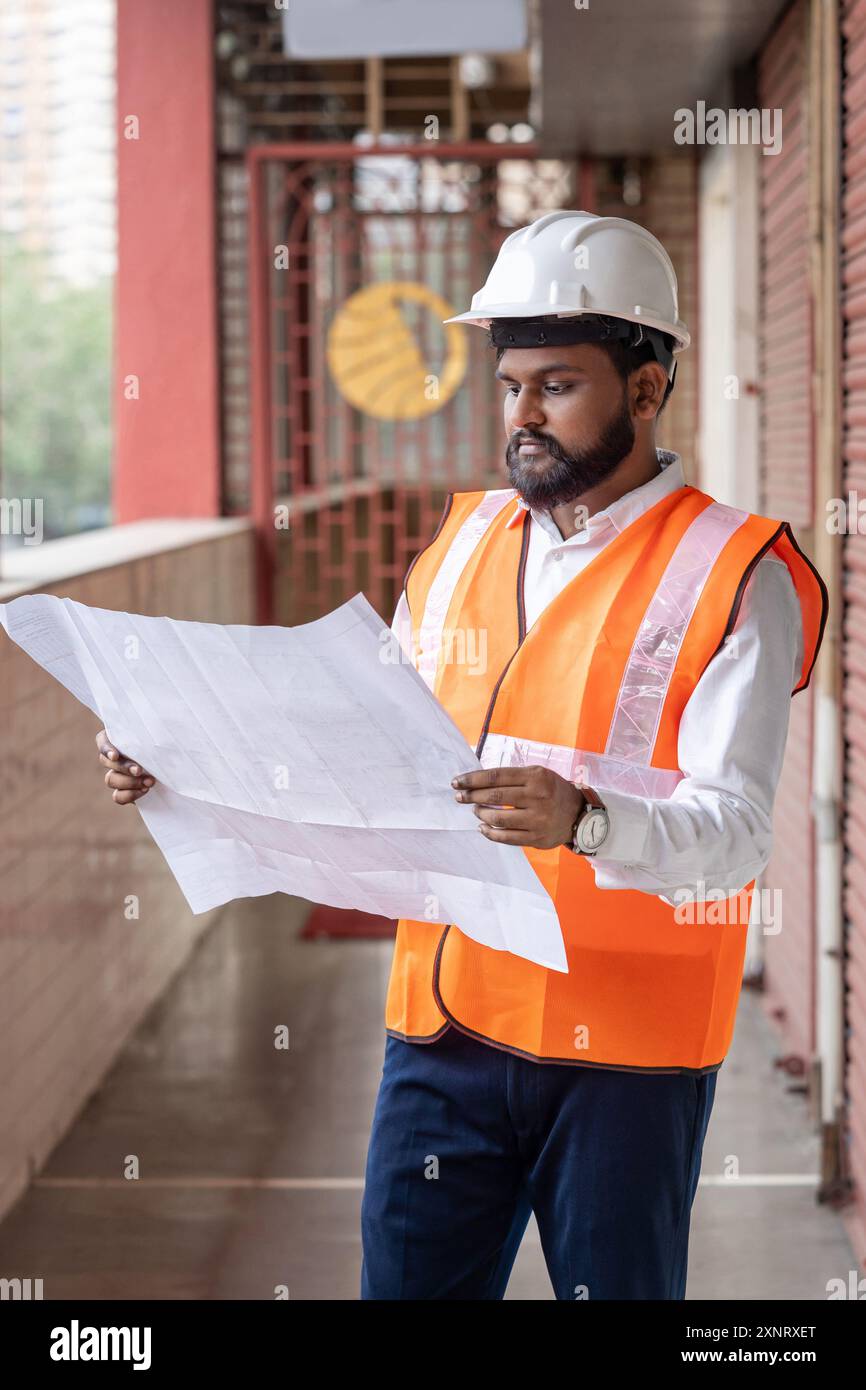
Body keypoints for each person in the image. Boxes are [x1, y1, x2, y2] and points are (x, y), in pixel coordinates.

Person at [96, 210, 828, 1301]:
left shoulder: (735, 570)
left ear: (644, 389)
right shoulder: (459, 546)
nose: (520, 416)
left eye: (555, 386)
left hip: (624, 1054)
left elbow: (731, 839)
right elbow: (354, 741)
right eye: (508, 386)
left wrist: (584, 819)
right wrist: (182, 755)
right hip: (441, 1029)